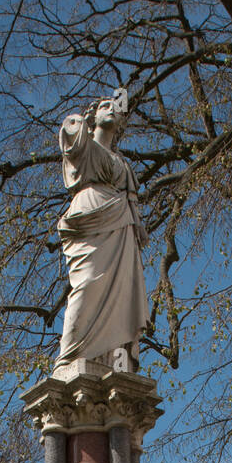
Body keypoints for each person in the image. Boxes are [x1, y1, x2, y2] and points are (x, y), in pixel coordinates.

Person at [55, 88, 148, 371]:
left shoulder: (123, 164)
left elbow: (131, 199)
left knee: (121, 292)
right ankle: (70, 358)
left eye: (116, 110)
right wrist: (74, 125)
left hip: (121, 225)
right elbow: (71, 140)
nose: (112, 110)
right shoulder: (84, 144)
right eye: (106, 106)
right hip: (91, 214)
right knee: (86, 286)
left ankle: (112, 358)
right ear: (93, 115)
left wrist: (138, 228)